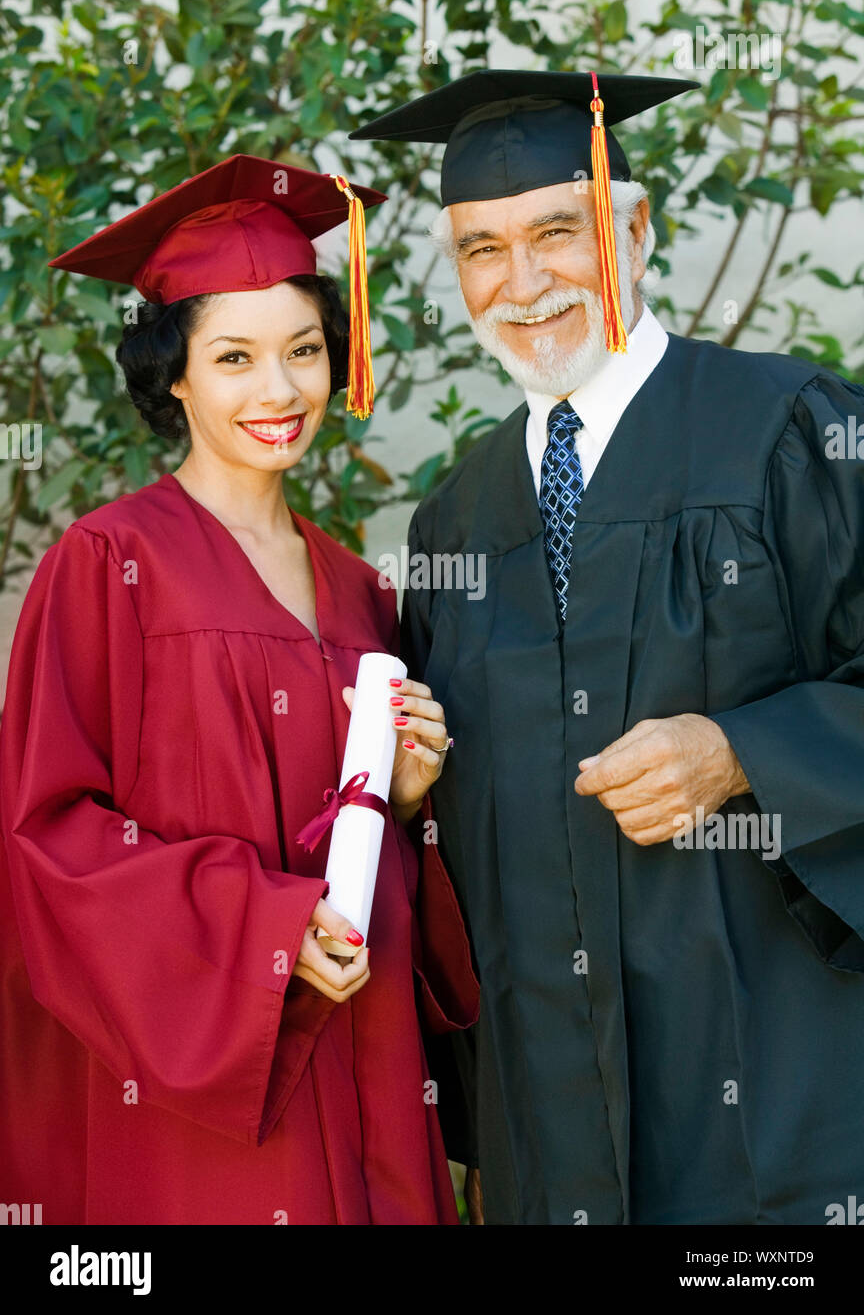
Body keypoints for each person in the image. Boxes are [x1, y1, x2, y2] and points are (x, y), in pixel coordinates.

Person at [350, 70, 864, 1225]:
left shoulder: (792, 432)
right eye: (484, 250)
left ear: (633, 229)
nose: (523, 285)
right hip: (551, 1113)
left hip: (775, 1093)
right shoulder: (456, 519)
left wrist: (743, 751)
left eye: (555, 234)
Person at [0, 154, 479, 1225]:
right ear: (175, 375)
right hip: (203, 1075)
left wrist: (407, 801)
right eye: (234, 358)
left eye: (304, 350)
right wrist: (266, 930)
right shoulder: (107, 562)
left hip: (362, 1043)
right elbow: (46, 836)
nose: (280, 390)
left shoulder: (359, 589)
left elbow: (373, 847)